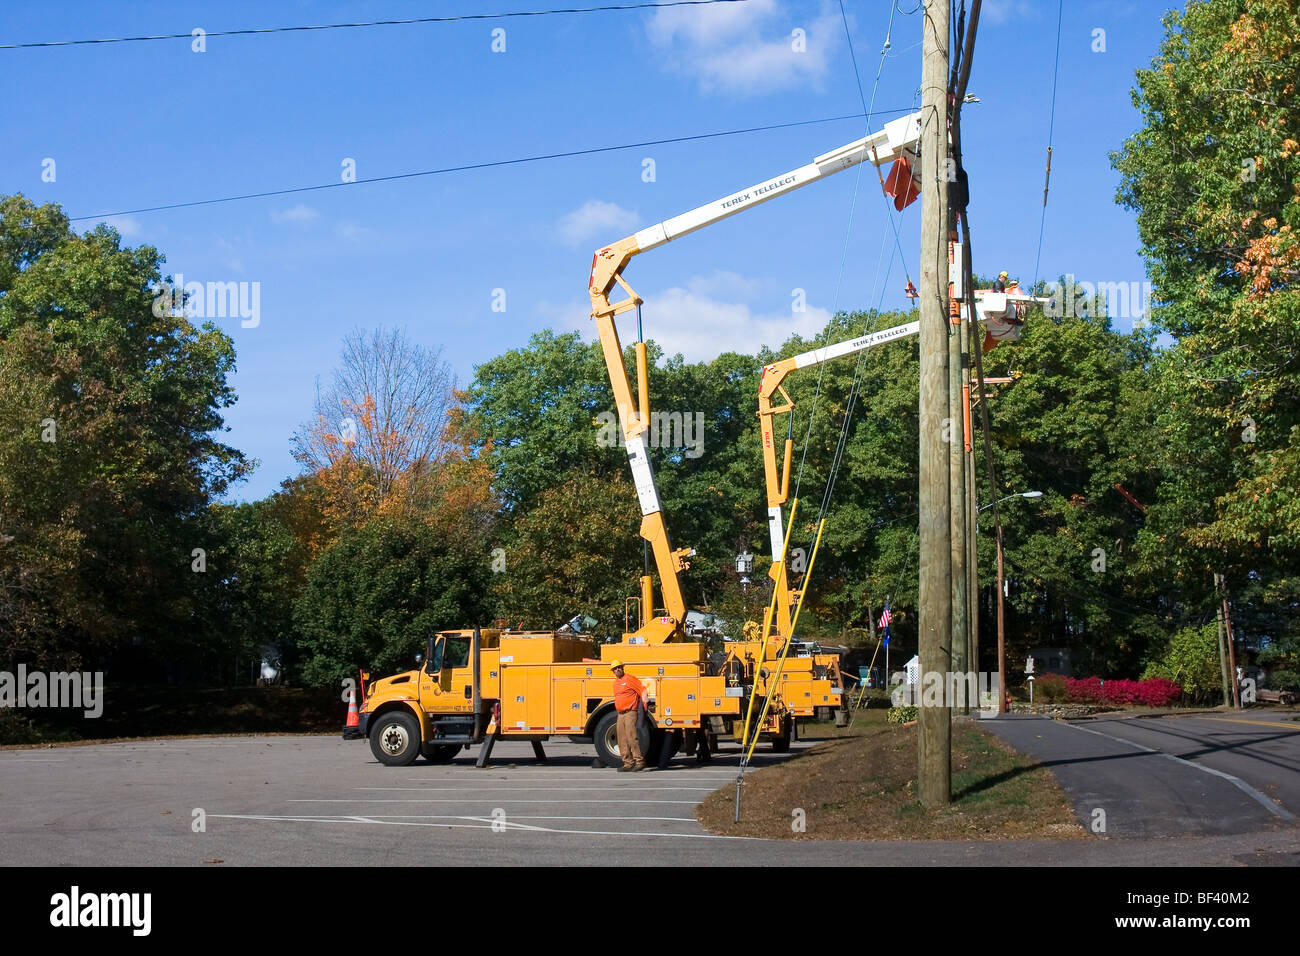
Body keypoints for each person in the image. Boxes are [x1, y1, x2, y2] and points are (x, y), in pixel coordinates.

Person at [609, 660, 648, 772]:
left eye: (619, 667)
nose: (617, 669)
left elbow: (643, 690)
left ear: (623, 668)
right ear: (613, 671)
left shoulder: (630, 679)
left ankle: (639, 761)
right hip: (620, 714)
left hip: (630, 712)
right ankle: (628, 763)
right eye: (615, 668)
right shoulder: (615, 683)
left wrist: (645, 705)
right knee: (621, 739)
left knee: (632, 737)